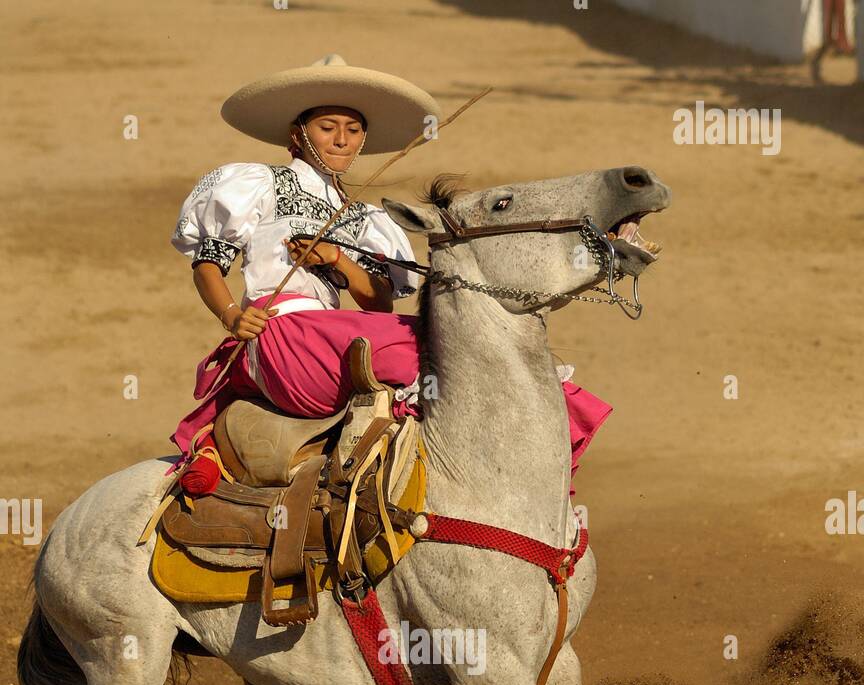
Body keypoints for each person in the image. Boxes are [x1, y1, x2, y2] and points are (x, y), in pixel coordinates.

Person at [171, 55, 611, 496]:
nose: (342, 140)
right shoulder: (258, 185)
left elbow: (378, 304)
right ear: (297, 133)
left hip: (335, 334)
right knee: (436, 359)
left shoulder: (364, 216)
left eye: (354, 129)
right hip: (279, 335)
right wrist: (231, 315)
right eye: (328, 127)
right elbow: (208, 263)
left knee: (453, 345)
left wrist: (336, 261)